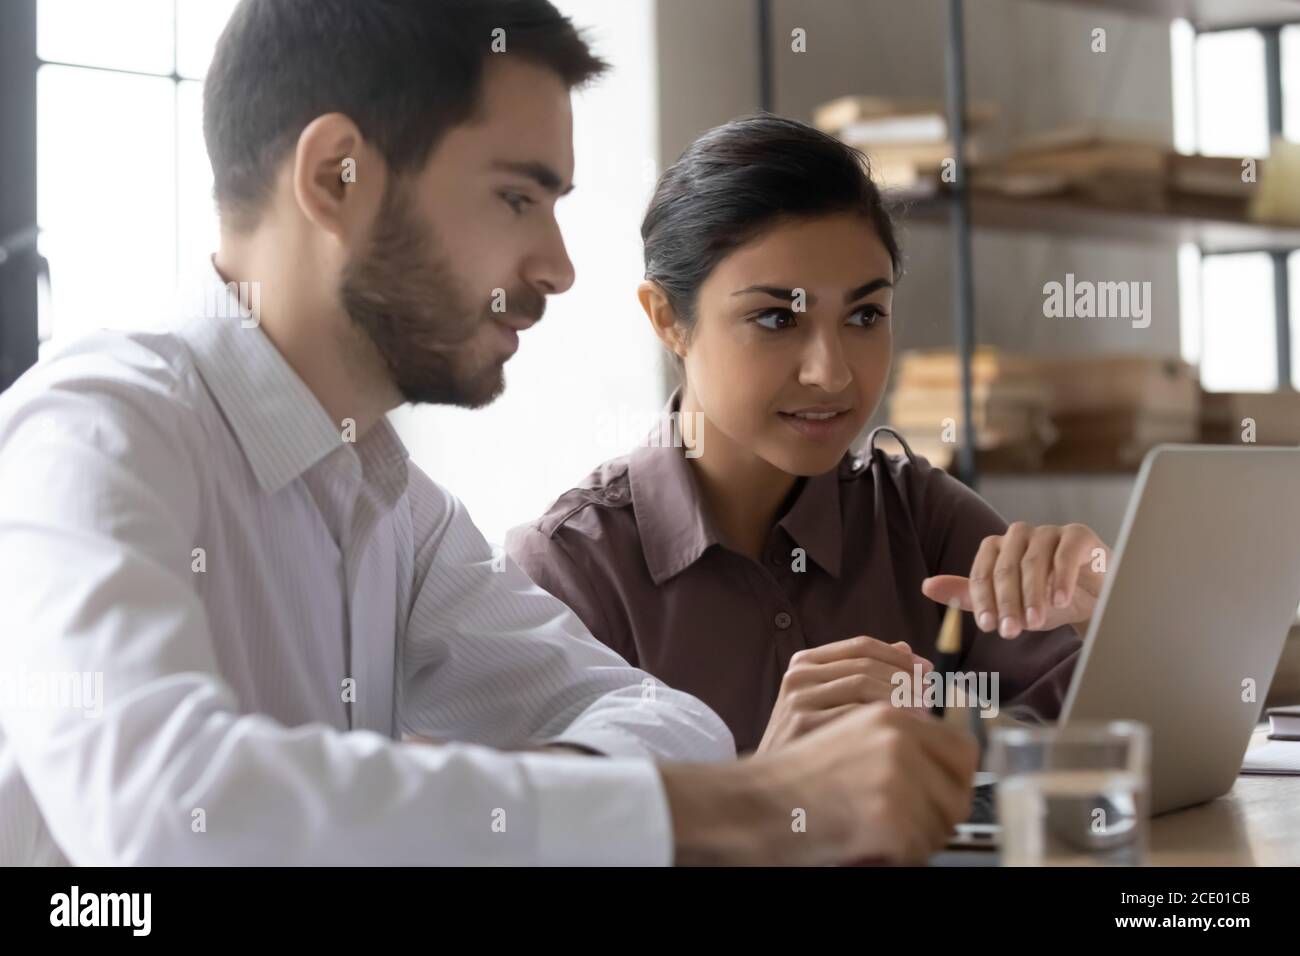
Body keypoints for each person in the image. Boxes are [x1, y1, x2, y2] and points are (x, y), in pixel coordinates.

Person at [0, 0, 976, 866]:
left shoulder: (394, 508)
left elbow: (669, 721)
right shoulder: (92, 430)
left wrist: (495, 798)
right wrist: (754, 803)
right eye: (518, 195)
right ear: (336, 175)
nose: (556, 266)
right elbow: (170, 809)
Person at [508, 115, 1107, 756]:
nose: (832, 372)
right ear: (668, 320)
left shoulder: (920, 516)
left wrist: (1102, 616)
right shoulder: (569, 570)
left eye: (865, 314)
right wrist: (763, 785)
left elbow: (1120, 761)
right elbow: (548, 833)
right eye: (775, 318)